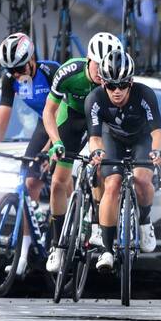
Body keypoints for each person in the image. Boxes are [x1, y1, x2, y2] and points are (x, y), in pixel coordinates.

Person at [41, 31, 121, 274]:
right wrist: (55, 142)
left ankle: (97, 223)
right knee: (57, 183)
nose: (101, 71)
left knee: (101, 167)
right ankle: (57, 246)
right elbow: (49, 112)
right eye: (97, 64)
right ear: (88, 59)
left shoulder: (113, 79)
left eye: (105, 65)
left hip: (100, 123)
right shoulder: (69, 72)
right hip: (73, 119)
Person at [84, 48, 161, 273]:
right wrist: (96, 153)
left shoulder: (145, 95)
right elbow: (95, 137)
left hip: (141, 138)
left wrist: (157, 152)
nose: (116, 91)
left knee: (141, 179)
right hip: (113, 139)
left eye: (122, 85)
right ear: (103, 85)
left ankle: (145, 221)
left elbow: (158, 132)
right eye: (111, 85)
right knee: (111, 185)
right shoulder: (95, 99)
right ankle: (107, 250)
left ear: (130, 83)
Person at [0, 33, 59, 207]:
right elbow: (2, 120)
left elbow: (59, 116)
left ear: (32, 59)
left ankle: (71, 215)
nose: (16, 74)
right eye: (10, 70)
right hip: (44, 121)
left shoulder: (50, 72)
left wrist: (48, 150)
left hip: (65, 119)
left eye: (20, 69)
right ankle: (28, 234)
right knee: (29, 182)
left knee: (60, 177)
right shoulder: (9, 81)